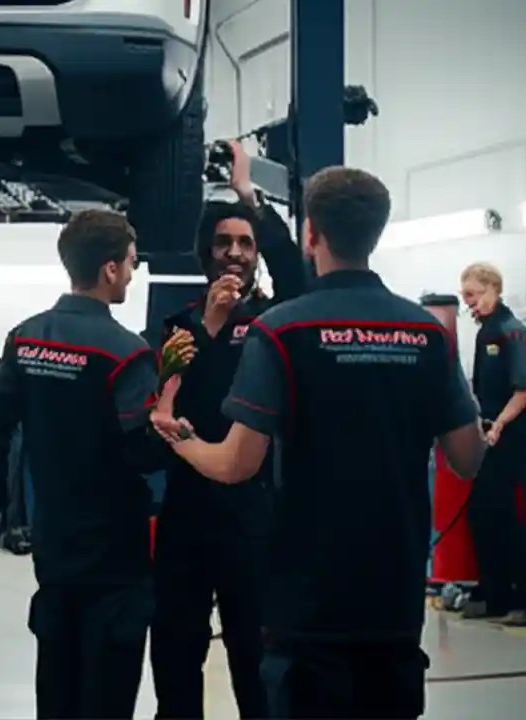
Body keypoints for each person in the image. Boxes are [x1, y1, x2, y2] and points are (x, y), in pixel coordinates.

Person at [155, 166, 487, 719]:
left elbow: (238, 461)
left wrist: (180, 437)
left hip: (307, 600)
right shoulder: (429, 332)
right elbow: (469, 457)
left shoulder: (282, 329)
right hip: (395, 595)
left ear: (311, 234)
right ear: (377, 233)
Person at [0, 209, 186, 719]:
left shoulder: (27, 338)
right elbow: (140, 451)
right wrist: (172, 420)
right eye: (131, 263)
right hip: (115, 557)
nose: (132, 275)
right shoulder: (127, 354)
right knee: (106, 697)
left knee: (57, 688)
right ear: (110, 269)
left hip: (55, 546)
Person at [148, 142, 305, 720]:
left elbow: (298, 274)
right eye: (224, 243)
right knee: (175, 647)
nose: (235, 253)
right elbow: (165, 408)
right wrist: (208, 326)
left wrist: (248, 197)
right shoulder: (175, 326)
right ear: (206, 254)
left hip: (254, 514)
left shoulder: (276, 320)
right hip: (187, 511)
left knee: (253, 656)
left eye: (245, 243)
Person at [460, 262, 526, 627]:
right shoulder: (486, 334)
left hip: (508, 438)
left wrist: (498, 426)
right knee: (481, 513)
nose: (470, 305)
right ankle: (493, 595)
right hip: (485, 436)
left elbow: (523, 390)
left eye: (474, 296)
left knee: (506, 518)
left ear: (493, 289)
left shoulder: (514, 334)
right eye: (466, 298)